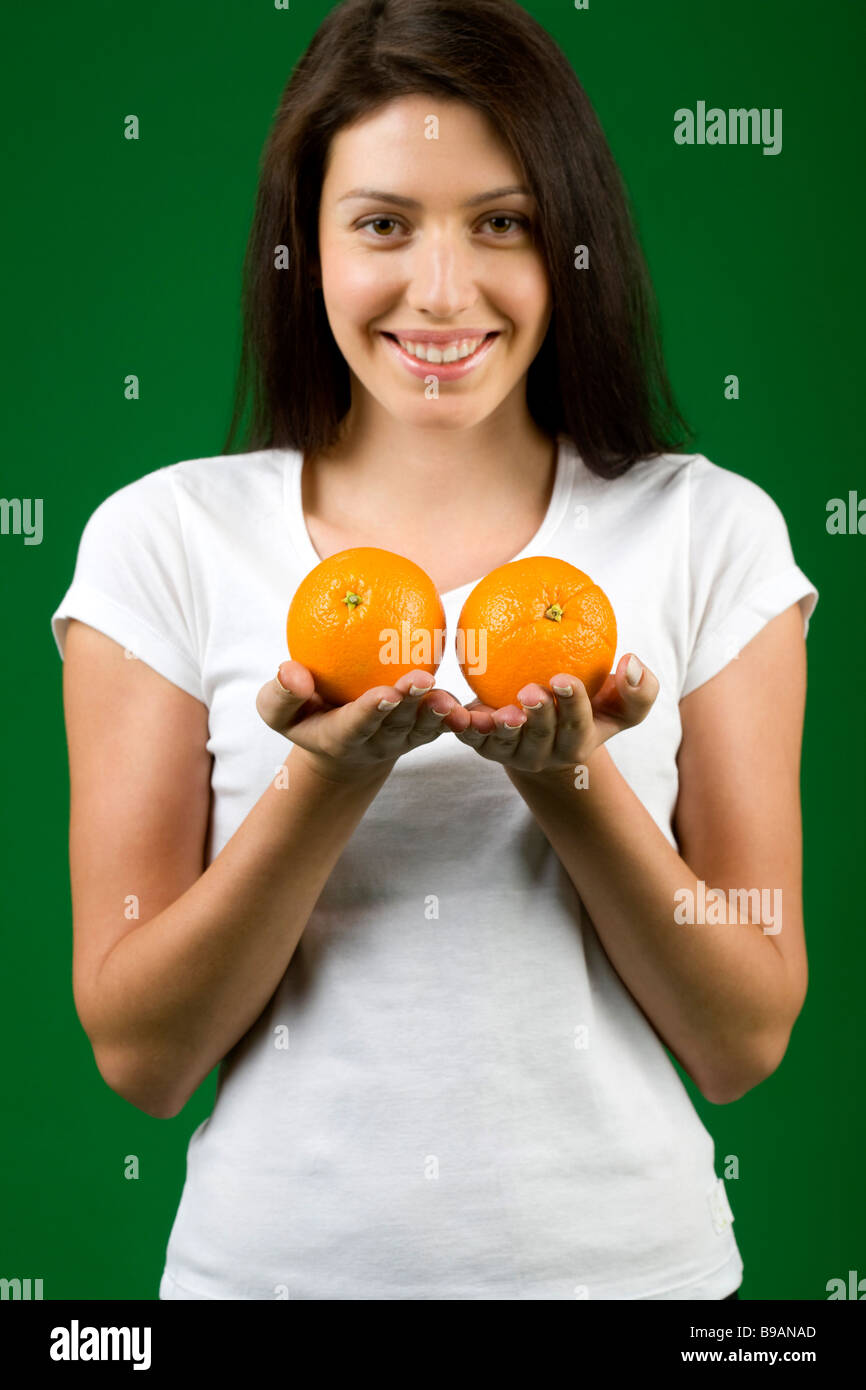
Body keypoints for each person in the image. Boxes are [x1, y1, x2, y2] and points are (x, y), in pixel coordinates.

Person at [50, 0, 817, 1300]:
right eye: (383, 223)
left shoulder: (707, 531)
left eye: (500, 222)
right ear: (306, 244)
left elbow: (741, 1036)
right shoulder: (164, 540)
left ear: (566, 244)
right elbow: (141, 1055)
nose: (442, 290)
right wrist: (329, 780)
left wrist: (568, 779)